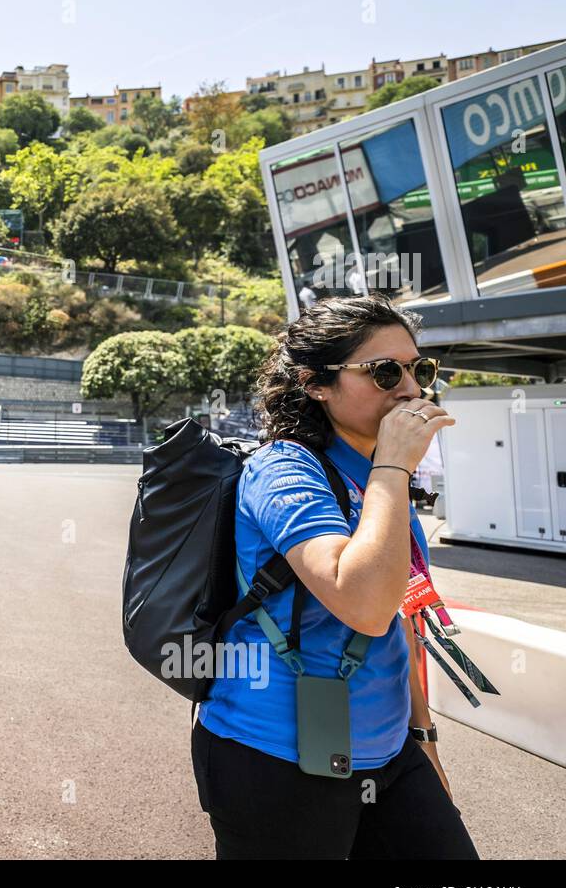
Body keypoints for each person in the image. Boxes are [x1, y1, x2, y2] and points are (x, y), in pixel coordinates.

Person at [191, 294, 479, 859]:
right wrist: (395, 467)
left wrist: (422, 739)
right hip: (274, 756)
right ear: (317, 383)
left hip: (390, 753)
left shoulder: (380, 474)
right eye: (384, 371)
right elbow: (364, 604)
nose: (410, 388)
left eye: (418, 369)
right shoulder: (283, 469)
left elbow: (400, 613)